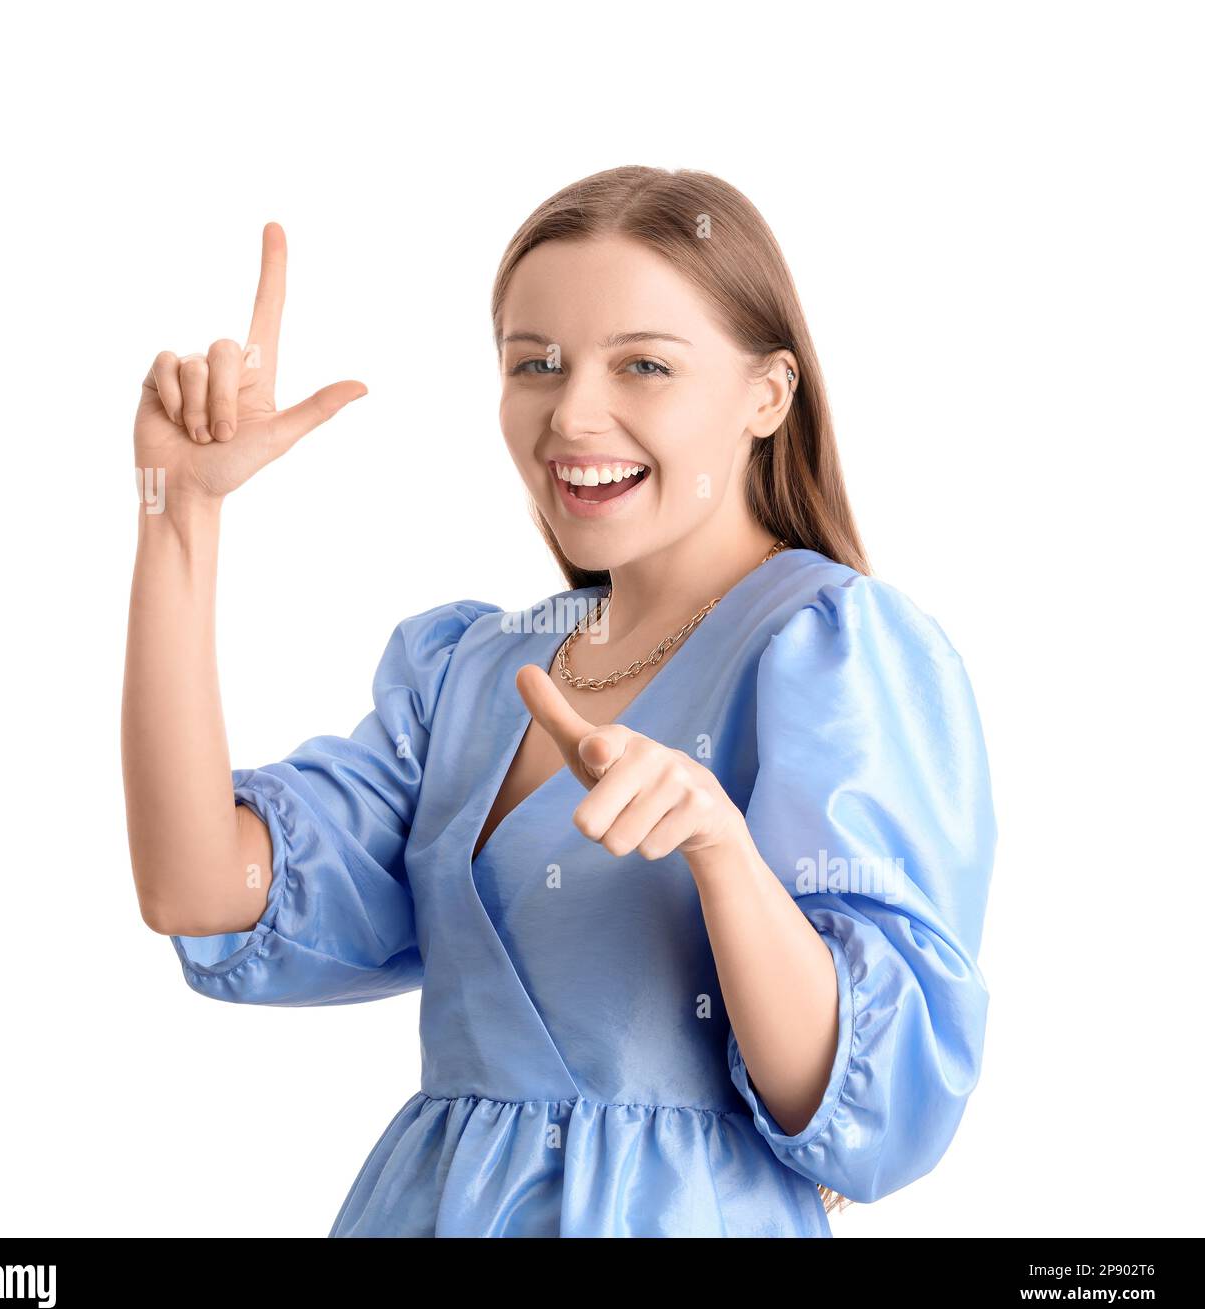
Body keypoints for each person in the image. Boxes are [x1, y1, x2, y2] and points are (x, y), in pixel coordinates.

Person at [122, 166, 996, 1238]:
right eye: (534, 362)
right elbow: (196, 886)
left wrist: (721, 851)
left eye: (644, 364)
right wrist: (180, 514)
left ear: (767, 394)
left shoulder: (830, 649)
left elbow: (866, 1112)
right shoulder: (471, 670)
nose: (573, 411)